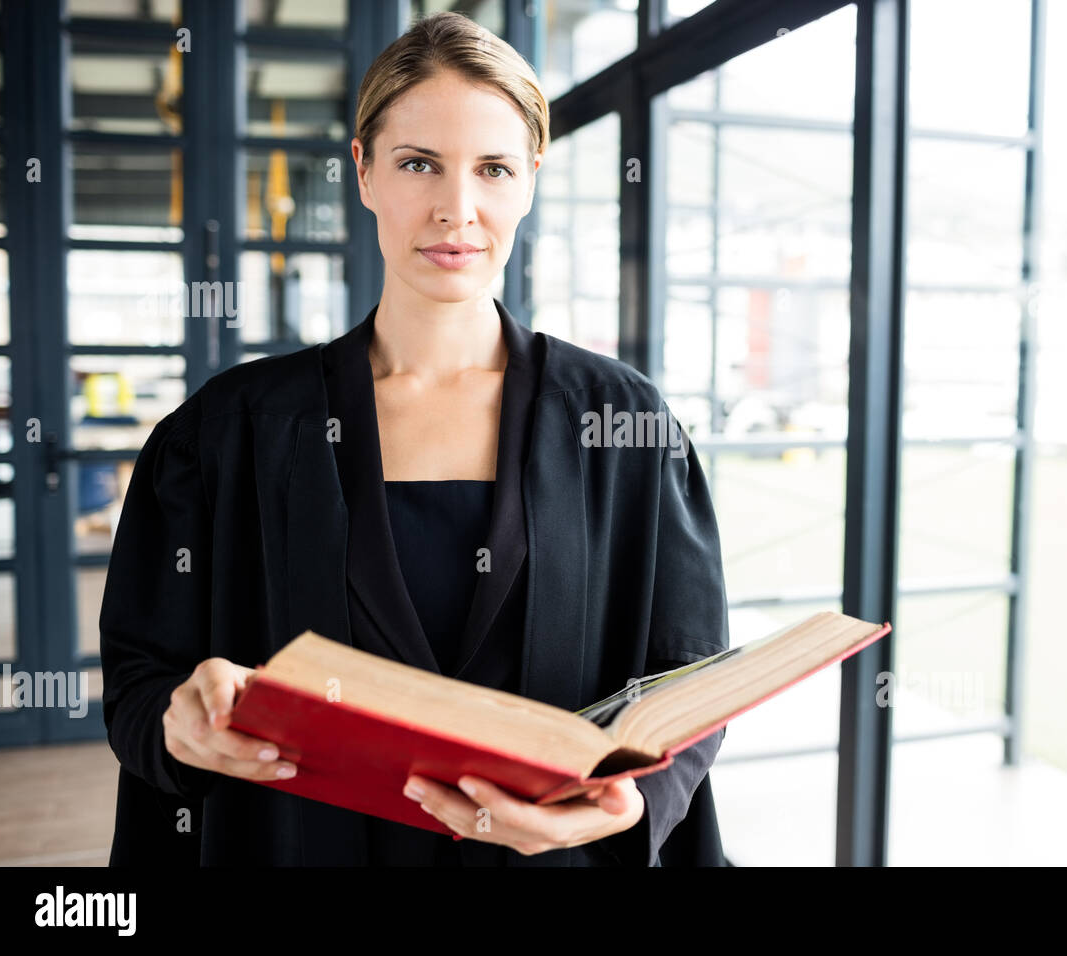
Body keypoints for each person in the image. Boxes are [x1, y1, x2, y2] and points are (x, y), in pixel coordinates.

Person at [100, 11, 731, 866]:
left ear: (532, 179)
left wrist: (625, 805)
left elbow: (689, 685)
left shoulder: (625, 427)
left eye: (494, 169)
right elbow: (142, 686)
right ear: (363, 171)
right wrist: (183, 723)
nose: (455, 210)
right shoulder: (223, 434)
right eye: (418, 163)